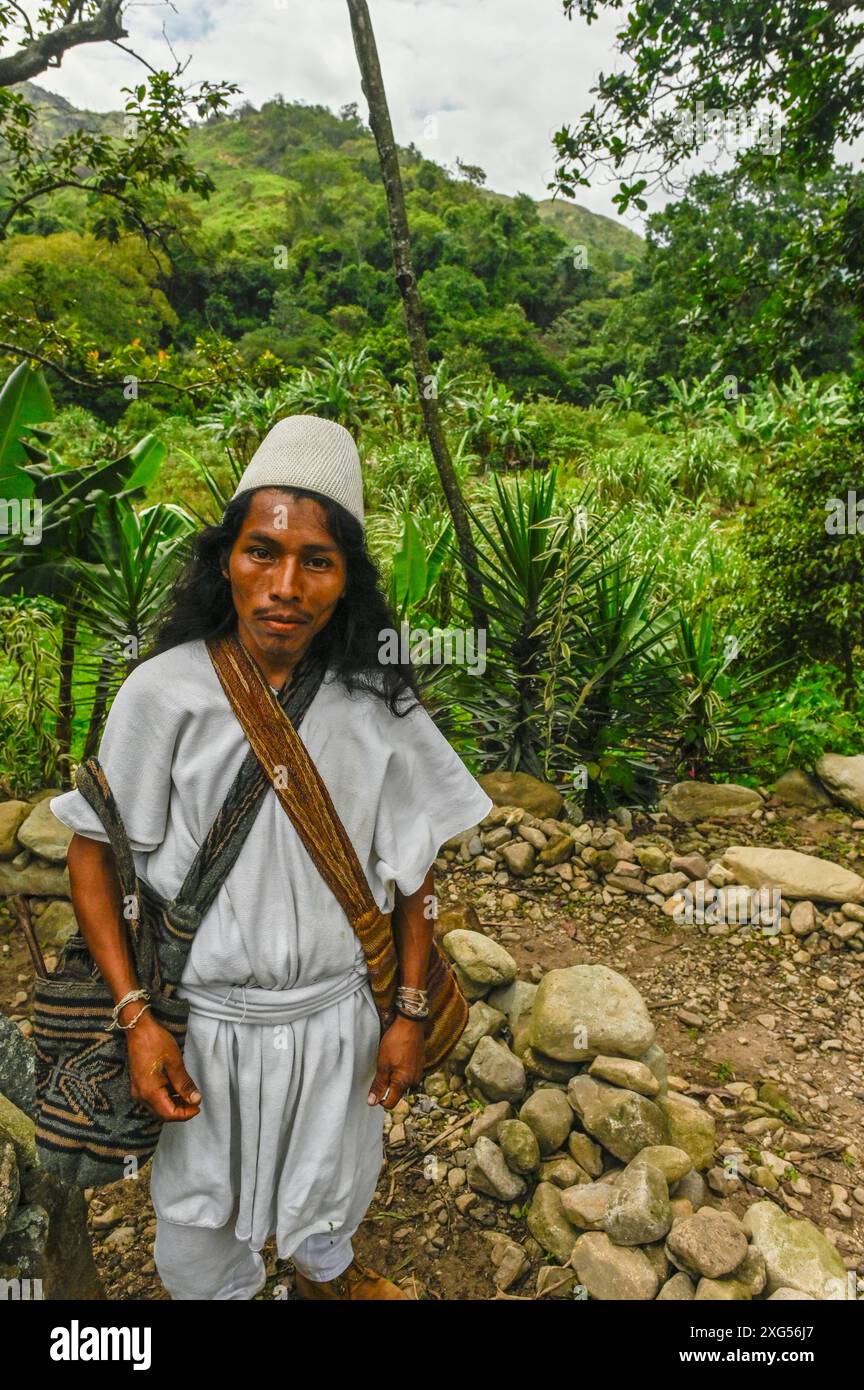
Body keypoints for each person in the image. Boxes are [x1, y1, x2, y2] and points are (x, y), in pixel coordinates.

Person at [49, 414, 493, 1301]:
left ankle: (328, 1271)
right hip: (200, 1020)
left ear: (345, 582)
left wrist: (407, 1010)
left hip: (338, 1016)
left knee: (333, 1188)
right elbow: (91, 858)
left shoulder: (379, 709)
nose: (285, 584)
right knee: (195, 1222)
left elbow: (413, 874)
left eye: (316, 561)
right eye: (262, 552)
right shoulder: (162, 693)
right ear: (227, 561)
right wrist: (138, 1019)